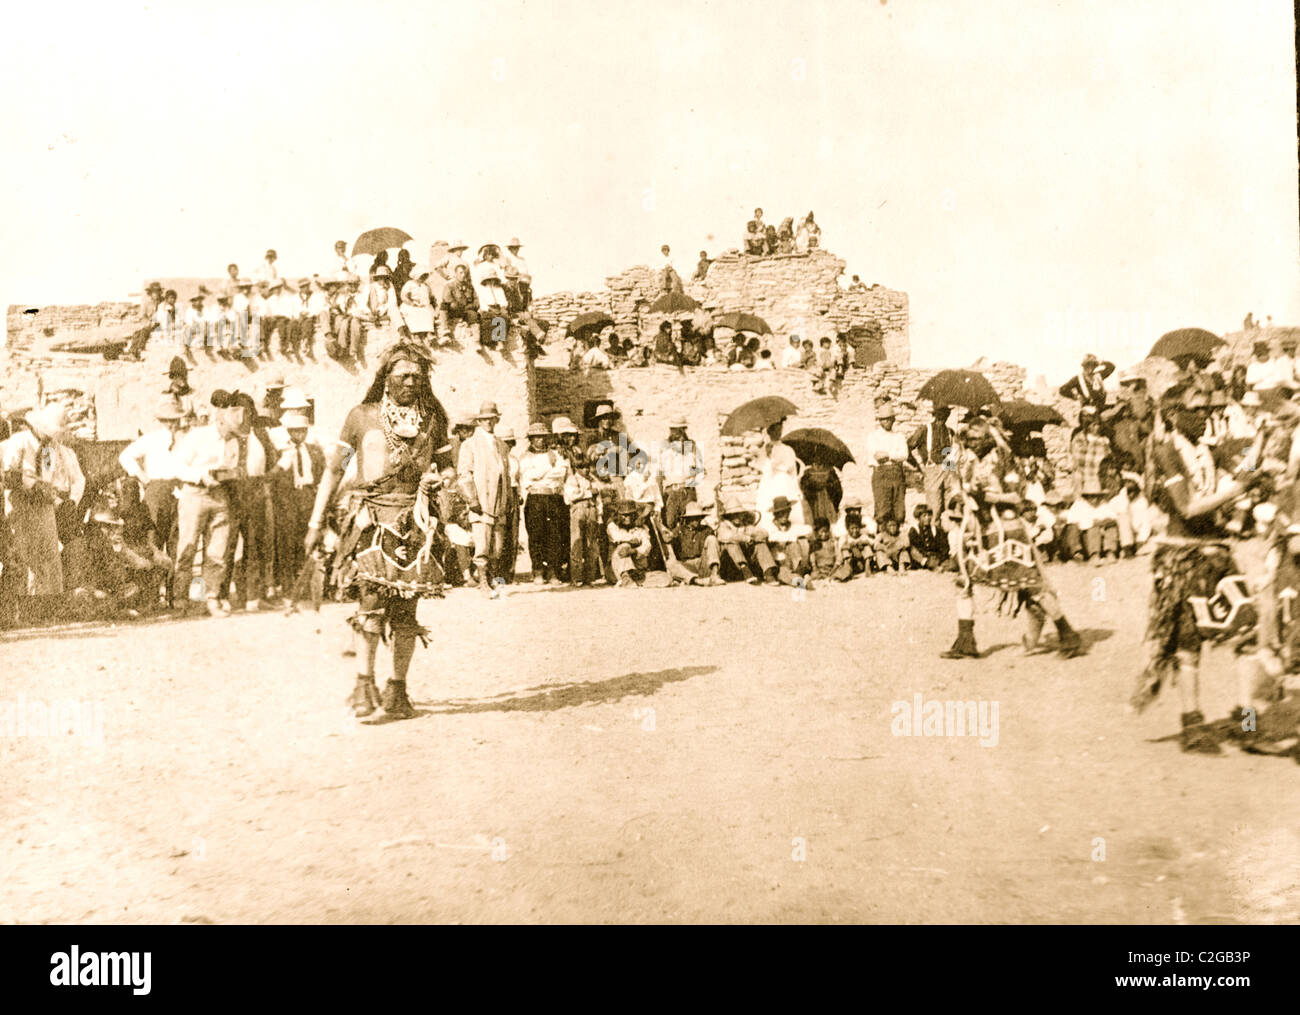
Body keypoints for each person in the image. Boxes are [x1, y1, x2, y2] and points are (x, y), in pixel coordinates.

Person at [305, 343, 449, 719]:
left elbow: (449, 467)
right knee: (369, 604)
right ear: (386, 377)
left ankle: (398, 689)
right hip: (370, 522)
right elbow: (334, 471)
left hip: (415, 522)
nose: (411, 381)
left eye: (418, 376)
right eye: (403, 375)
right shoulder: (361, 416)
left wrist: (439, 479)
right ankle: (363, 684)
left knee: (406, 611)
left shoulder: (433, 416)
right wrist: (315, 522)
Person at [1130, 387, 1272, 753]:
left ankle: (1247, 723)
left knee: (1246, 632)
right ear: (1174, 415)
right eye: (1197, 409)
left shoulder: (1208, 448)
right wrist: (1238, 488)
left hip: (1217, 555)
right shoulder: (1165, 452)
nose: (1206, 414)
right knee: (1188, 645)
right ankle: (1192, 726)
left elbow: (1248, 469)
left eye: (1210, 407)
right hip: (1183, 559)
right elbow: (1189, 508)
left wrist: (1262, 436)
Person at [941, 414, 1084, 661]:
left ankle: (1068, 633)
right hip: (980, 530)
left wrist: (990, 497)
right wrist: (958, 490)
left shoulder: (1005, 460)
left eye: (976, 439)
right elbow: (952, 477)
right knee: (963, 582)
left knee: (1031, 586)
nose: (971, 443)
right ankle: (966, 640)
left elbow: (1017, 497)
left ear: (988, 438)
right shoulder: (967, 459)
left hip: (1008, 531)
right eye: (968, 439)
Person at [3, 404, 84, 613]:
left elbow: (48, 480)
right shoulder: (18, 443)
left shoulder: (49, 449)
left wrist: (51, 493)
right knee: (24, 553)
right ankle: (23, 605)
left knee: (48, 554)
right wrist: (32, 484)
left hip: (43, 506)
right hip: (21, 503)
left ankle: (46, 604)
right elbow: (8, 474)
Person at [119, 399, 185, 573]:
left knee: (177, 544)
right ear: (161, 421)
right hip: (155, 492)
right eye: (168, 420)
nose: (172, 424)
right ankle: (154, 595)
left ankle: (174, 597)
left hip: (179, 492)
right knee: (153, 543)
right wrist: (143, 477)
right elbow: (125, 457)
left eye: (175, 420)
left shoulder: (185, 440)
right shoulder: (151, 439)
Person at [457, 402, 513, 590]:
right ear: (479, 422)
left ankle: (492, 577)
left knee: (497, 547)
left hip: (499, 501)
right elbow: (464, 474)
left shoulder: (502, 445)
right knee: (482, 544)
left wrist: (508, 499)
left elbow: (506, 475)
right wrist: (471, 498)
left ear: (497, 419)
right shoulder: (470, 444)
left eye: (492, 419)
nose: (488, 422)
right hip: (481, 501)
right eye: (484, 419)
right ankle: (482, 581)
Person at [520, 422, 568, 584]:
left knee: (554, 534)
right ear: (531, 440)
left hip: (553, 497)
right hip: (536, 498)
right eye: (536, 438)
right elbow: (528, 477)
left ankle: (553, 571)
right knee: (536, 535)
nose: (539, 440)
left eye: (542, 437)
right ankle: (538, 571)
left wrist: (541, 475)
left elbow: (561, 472)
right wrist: (548, 471)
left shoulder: (555, 454)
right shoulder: (526, 457)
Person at [563, 442, 603, 587]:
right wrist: (587, 493)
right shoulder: (572, 480)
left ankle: (590, 576)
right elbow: (570, 497)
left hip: (591, 510)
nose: (585, 470)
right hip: (578, 510)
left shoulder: (592, 480)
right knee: (577, 543)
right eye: (582, 467)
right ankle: (577, 577)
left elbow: (598, 498)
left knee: (591, 544)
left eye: (587, 467)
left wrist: (599, 514)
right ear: (576, 468)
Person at [908, 403, 955, 516]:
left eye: (946, 413)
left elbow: (952, 452)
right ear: (935, 414)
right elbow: (908, 447)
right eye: (941, 414)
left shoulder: (950, 432)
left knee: (950, 508)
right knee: (935, 509)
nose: (944, 417)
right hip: (932, 470)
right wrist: (919, 467)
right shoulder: (925, 430)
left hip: (948, 470)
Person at [716, 500, 778, 584]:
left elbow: (764, 533)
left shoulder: (745, 525)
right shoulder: (723, 525)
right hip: (730, 564)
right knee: (731, 543)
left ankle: (768, 573)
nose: (737, 517)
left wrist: (753, 535)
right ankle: (745, 570)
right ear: (728, 516)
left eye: (739, 514)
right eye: (734, 515)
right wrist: (745, 538)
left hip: (747, 560)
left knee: (760, 544)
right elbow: (726, 536)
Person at [658, 418, 704, 528]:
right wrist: (660, 500)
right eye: (674, 430)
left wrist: (690, 487)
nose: (677, 435)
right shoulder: (665, 452)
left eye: (680, 431)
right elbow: (659, 476)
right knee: (670, 522)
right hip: (671, 491)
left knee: (689, 522)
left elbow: (699, 472)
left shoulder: (692, 451)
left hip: (687, 491)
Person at [867, 402, 908, 526]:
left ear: (893, 420)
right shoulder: (873, 437)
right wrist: (895, 454)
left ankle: (899, 539)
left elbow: (904, 455)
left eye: (889, 419)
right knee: (882, 509)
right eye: (883, 420)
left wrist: (889, 455)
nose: (886, 422)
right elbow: (877, 456)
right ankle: (882, 539)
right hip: (881, 473)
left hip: (897, 473)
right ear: (879, 421)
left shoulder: (899, 436)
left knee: (899, 509)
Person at [666, 501, 724, 586]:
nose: (696, 521)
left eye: (698, 518)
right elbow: (668, 542)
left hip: (702, 564)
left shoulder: (707, 530)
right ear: (687, 519)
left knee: (711, 539)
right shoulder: (678, 531)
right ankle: (696, 580)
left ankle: (714, 575)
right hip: (685, 565)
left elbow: (712, 549)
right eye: (693, 518)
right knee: (670, 564)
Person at [765, 495, 813, 588]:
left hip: (792, 561)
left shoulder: (792, 527)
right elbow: (772, 537)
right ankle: (801, 581)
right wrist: (788, 538)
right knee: (783, 573)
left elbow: (808, 530)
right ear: (775, 514)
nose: (784, 516)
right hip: (779, 562)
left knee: (796, 542)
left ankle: (800, 571)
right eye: (780, 513)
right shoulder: (770, 527)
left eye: (786, 513)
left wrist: (789, 537)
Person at [607, 500, 651, 586]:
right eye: (624, 515)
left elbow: (647, 545)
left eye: (630, 515)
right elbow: (618, 537)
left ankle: (634, 576)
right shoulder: (613, 526)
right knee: (624, 546)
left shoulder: (641, 528)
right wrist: (633, 540)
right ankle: (625, 577)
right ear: (618, 515)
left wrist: (634, 551)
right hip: (616, 567)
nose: (627, 518)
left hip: (636, 564)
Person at [832, 502, 872, 581]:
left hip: (862, 558)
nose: (854, 512)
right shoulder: (843, 523)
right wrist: (851, 545)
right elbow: (840, 543)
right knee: (845, 549)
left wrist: (862, 542)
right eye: (851, 510)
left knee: (866, 547)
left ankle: (868, 565)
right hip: (851, 559)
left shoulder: (864, 519)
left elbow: (871, 539)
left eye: (856, 510)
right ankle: (847, 567)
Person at [124, 282, 164, 360]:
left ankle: (138, 350)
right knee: (137, 333)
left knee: (144, 331)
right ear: (150, 293)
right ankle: (132, 352)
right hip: (149, 323)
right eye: (154, 292)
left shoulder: (162, 302)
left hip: (159, 323)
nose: (156, 294)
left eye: (157, 292)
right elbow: (143, 315)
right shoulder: (146, 303)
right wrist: (148, 323)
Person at [399, 265, 436, 344]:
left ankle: (429, 333)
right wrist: (412, 303)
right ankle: (415, 334)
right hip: (410, 305)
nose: (423, 278)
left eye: (424, 277)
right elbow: (403, 296)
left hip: (423, 305)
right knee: (413, 313)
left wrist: (425, 303)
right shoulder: (409, 284)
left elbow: (429, 296)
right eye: (421, 276)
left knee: (428, 311)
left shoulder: (425, 286)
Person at [907, 503, 948, 570]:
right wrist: (925, 557)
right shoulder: (914, 530)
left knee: (948, 562)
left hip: (934, 557)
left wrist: (938, 556)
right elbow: (915, 547)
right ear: (918, 518)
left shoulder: (935, 529)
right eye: (924, 516)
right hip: (921, 559)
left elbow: (943, 546)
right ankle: (930, 564)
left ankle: (937, 565)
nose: (927, 518)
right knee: (913, 551)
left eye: (929, 515)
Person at [504, 238, 532, 310]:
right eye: (513, 248)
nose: (515, 250)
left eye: (516, 248)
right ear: (510, 249)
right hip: (514, 282)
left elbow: (526, 271)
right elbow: (507, 272)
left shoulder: (522, 259)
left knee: (526, 299)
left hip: (524, 282)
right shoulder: (507, 259)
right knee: (515, 302)